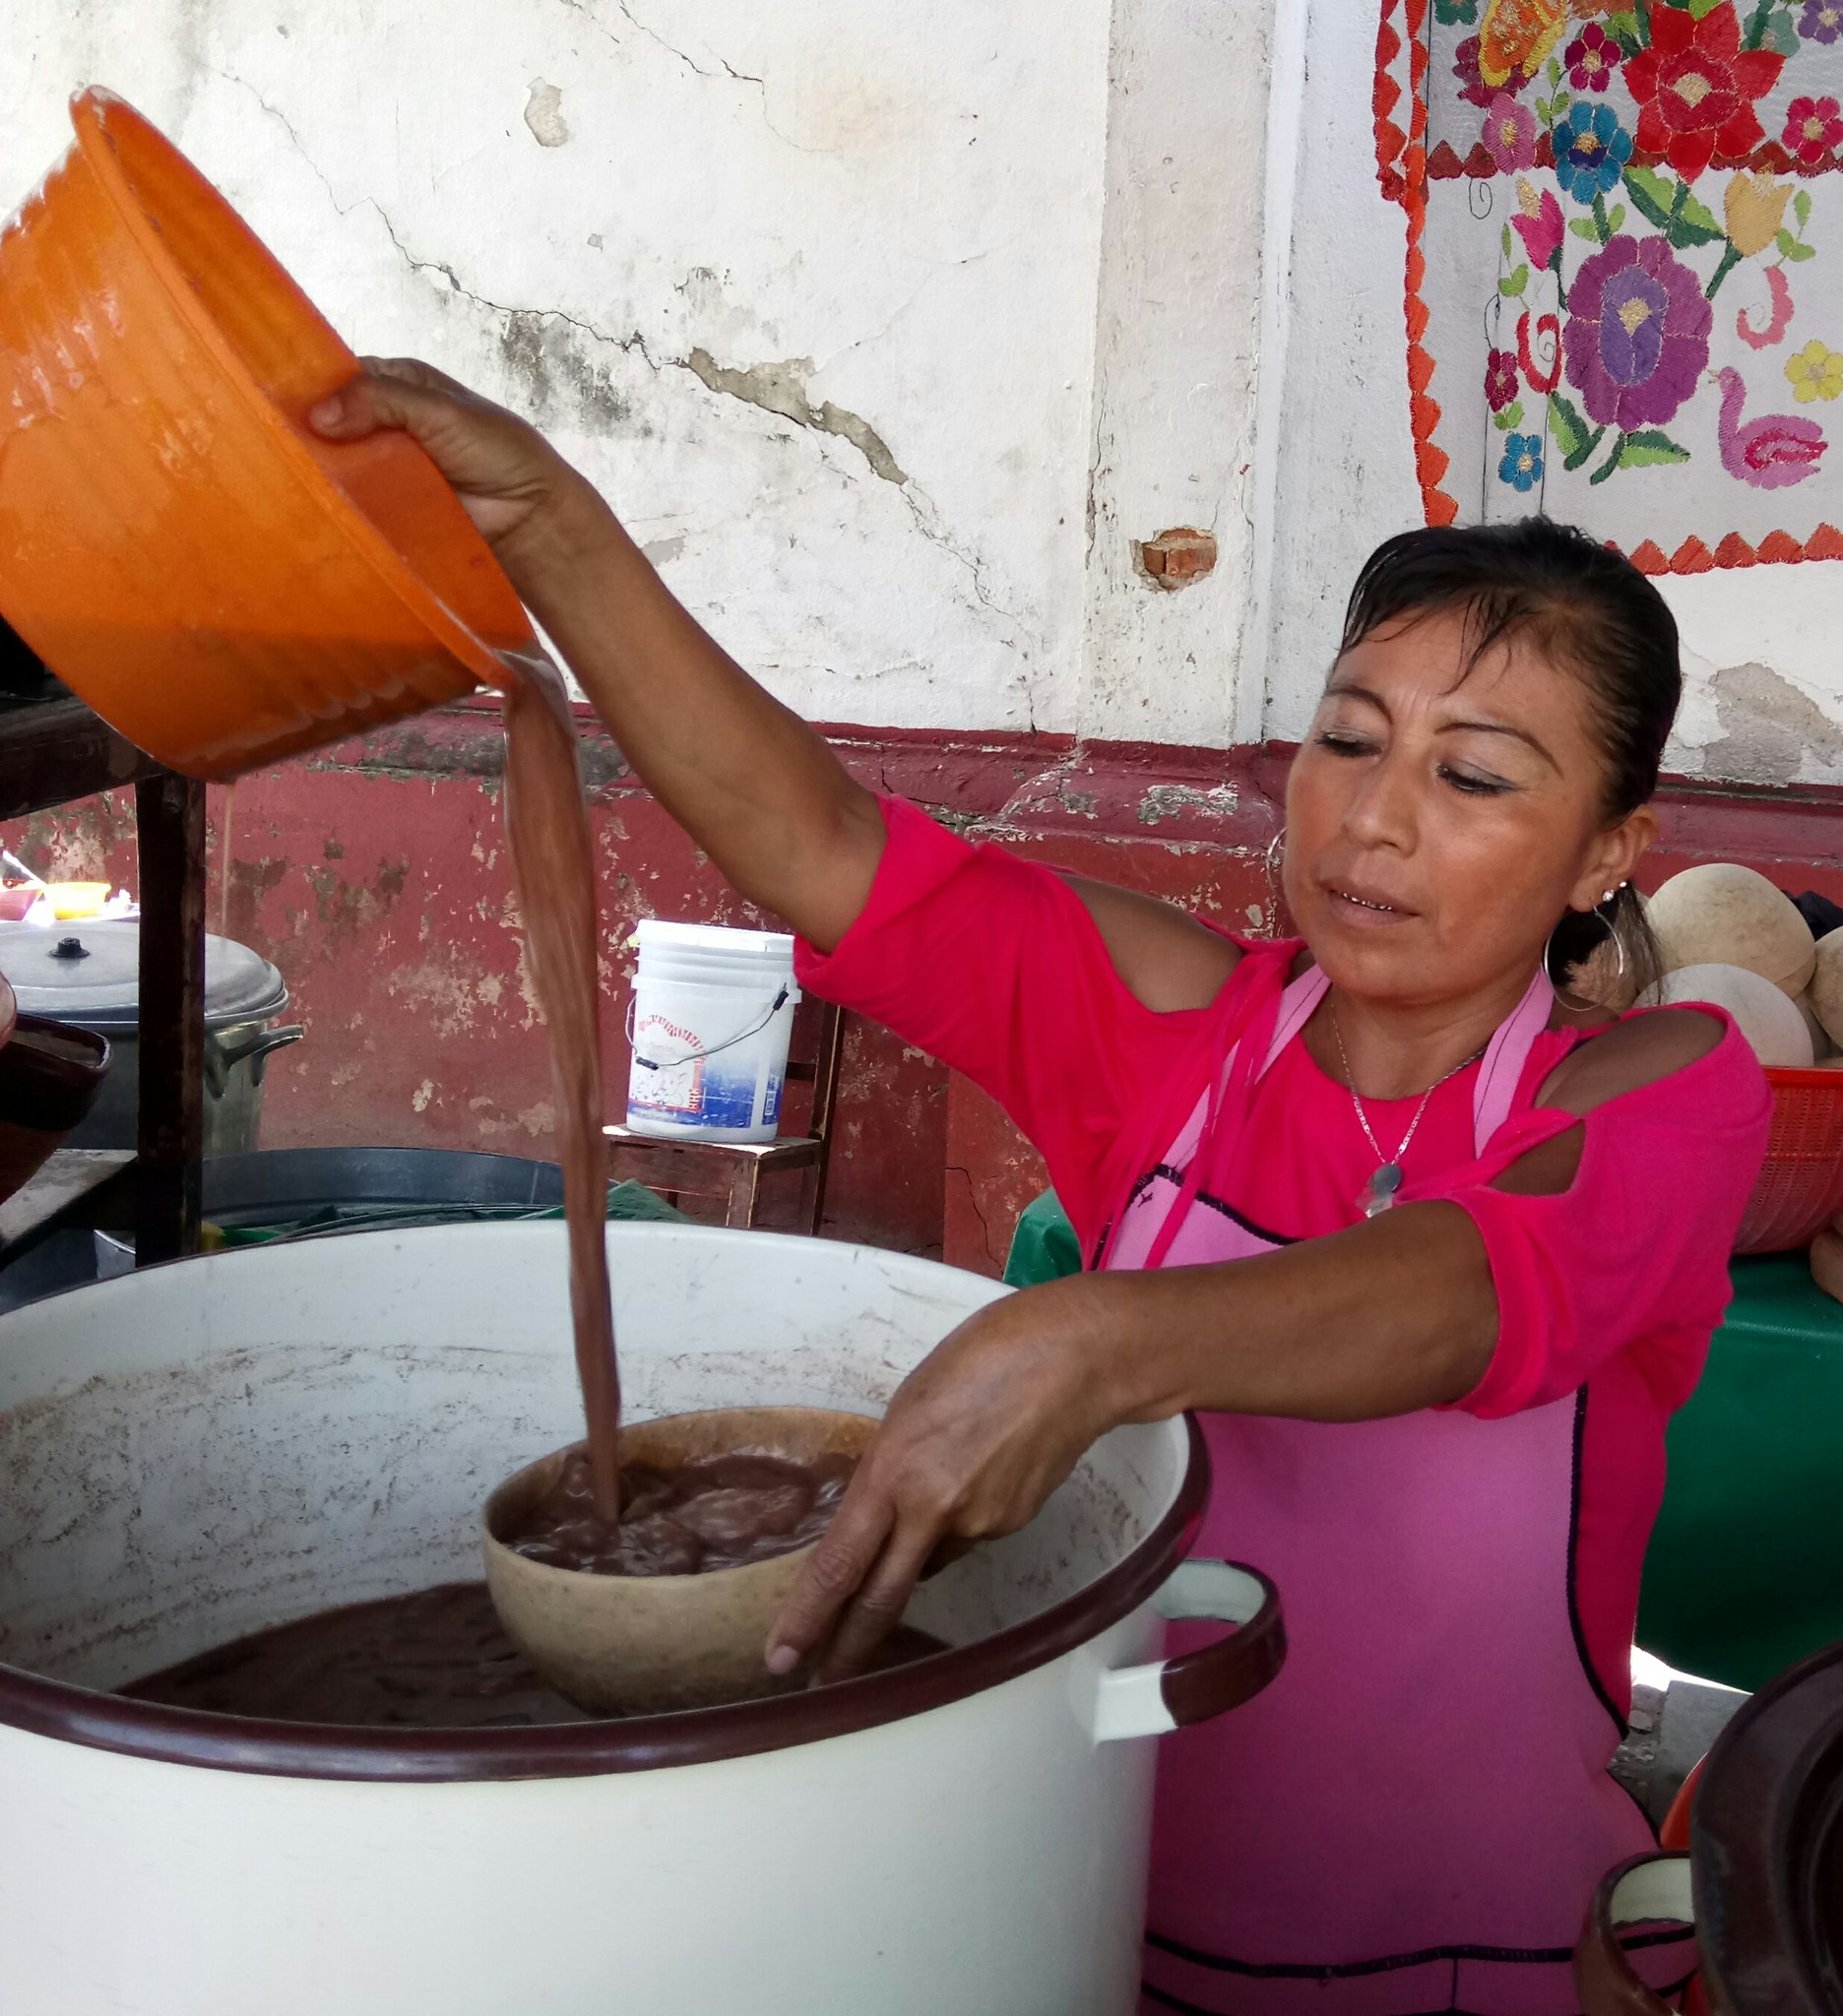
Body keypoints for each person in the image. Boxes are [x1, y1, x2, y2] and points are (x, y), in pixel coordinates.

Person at [312, 359, 1770, 2014]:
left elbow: (1470, 1293)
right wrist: (546, 523)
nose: (1373, 819)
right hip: (1079, 1917)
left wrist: (1090, 1343)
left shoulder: (1663, 1092)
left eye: (1476, 777)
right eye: (1348, 739)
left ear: (1607, 851)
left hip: (1483, 1965)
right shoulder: (1177, 1043)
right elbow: (824, 844)